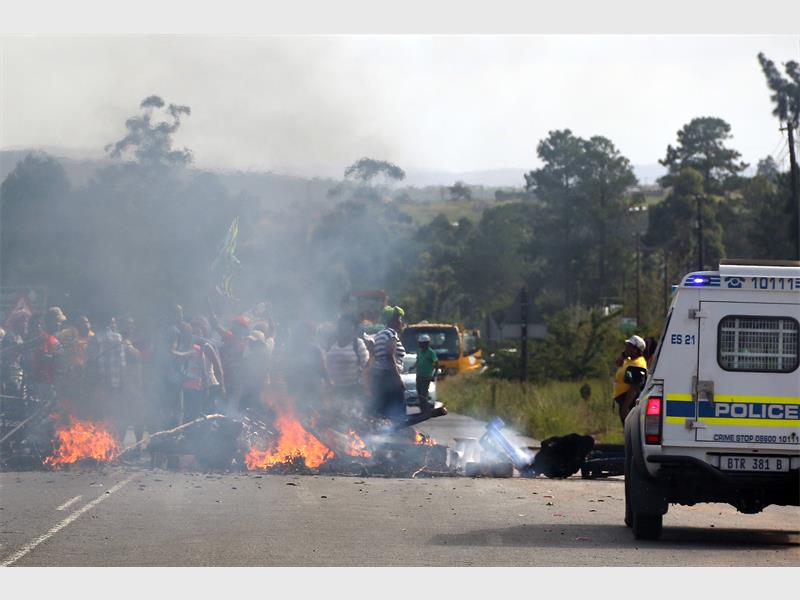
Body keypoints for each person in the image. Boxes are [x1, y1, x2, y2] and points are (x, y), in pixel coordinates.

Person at [368, 306, 407, 419]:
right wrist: (398, 379)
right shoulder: (391, 334)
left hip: (379, 378)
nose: (401, 322)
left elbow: (378, 356)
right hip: (390, 378)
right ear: (394, 321)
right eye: (400, 319)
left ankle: (384, 436)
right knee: (398, 414)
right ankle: (397, 436)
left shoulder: (379, 334)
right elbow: (390, 356)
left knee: (383, 413)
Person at [88, 314, 126, 427]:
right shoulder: (118, 338)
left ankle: (100, 440)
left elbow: (90, 360)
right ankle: (111, 440)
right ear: (110, 323)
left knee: (100, 414)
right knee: (112, 414)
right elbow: (122, 363)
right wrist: (122, 382)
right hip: (114, 383)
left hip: (99, 383)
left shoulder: (94, 338)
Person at [326, 313, 370, 409]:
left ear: (354, 328)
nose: (345, 328)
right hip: (335, 390)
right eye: (343, 325)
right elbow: (326, 364)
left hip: (353, 391)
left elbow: (366, 367)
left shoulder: (358, 343)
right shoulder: (332, 343)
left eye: (349, 325)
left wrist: (367, 389)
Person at [613, 335, 648, 426]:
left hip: (629, 402)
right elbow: (617, 363)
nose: (626, 348)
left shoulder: (638, 364)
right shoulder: (630, 361)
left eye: (629, 346)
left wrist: (626, 407)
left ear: (636, 350)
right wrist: (623, 355)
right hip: (623, 401)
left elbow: (634, 387)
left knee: (630, 430)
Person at [1, 311, 29, 399]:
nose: (25, 325)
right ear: (16, 323)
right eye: (23, 322)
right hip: (10, 374)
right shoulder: (10, 336)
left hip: (17, 373)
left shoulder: (19, 337)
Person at [414, 334, 439, 413]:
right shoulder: (419, 351)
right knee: (419, 393)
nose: (420, 344)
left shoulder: (431, 352)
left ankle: (426, 410)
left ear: (426, 343)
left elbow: (437, 365)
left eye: (422, 343)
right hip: (419, 375)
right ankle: (422, 410)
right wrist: (413, 366)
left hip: (426, 376)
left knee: (423, 393)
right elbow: (418, 361)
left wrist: (434, 375)